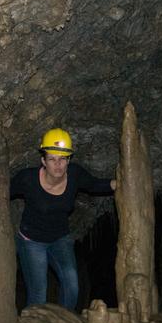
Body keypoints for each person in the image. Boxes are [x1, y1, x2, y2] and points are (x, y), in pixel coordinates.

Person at [10, 128, 116, 311]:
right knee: (38, 294)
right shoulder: (27, 179)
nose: (58, 165)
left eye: (62, 159)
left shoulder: (74, 175)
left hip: (60, 238)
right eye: (52, 159)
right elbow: (1, 192)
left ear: (68, 160)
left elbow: (93, 184)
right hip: (31, 241)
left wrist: (116, 183)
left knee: (72, 285)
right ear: (43, 161)